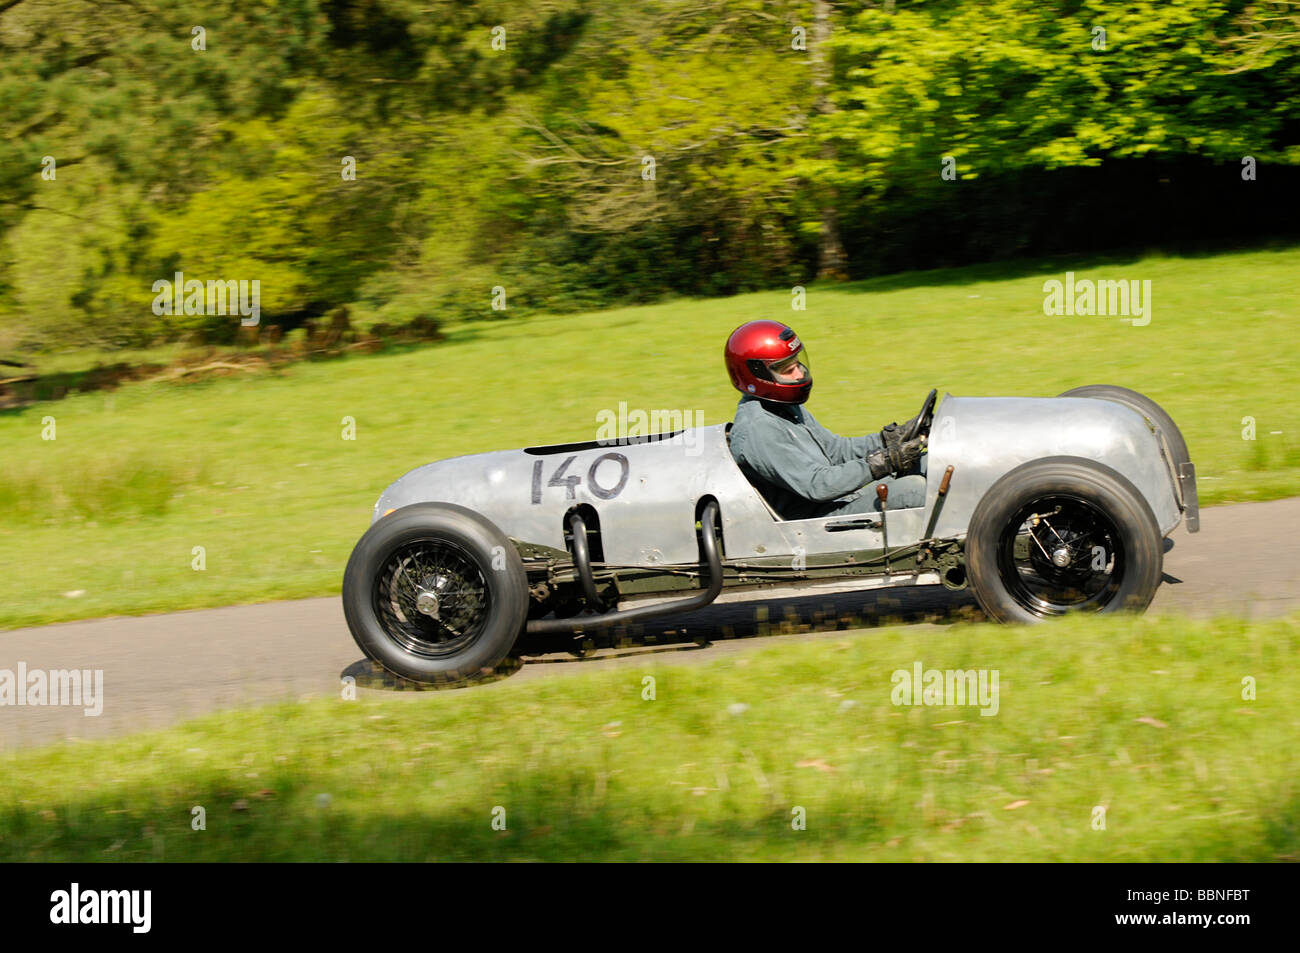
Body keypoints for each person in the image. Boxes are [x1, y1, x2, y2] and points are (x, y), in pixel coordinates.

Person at [724, 319, 928, 520]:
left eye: (797, 364)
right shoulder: (758, 429)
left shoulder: (783, 407)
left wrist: (891, 438)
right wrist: (883, 462)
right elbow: (818, 485)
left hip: (840, 500)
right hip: (816, 522)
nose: (798, 374)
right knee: (914, 489)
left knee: (929, 463)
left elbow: (836, 451)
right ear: (756, 375)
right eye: (787, 369)